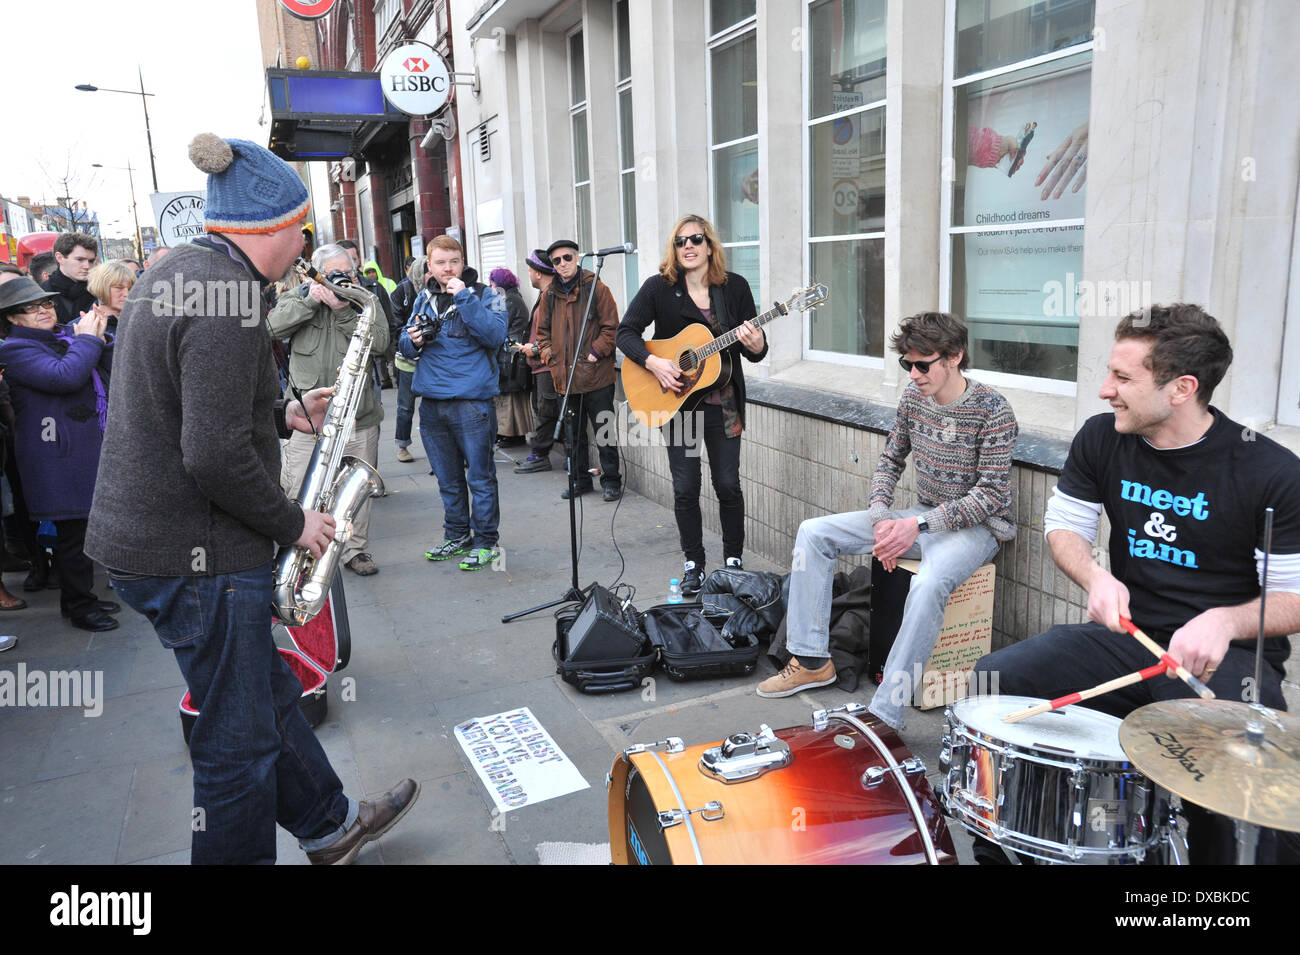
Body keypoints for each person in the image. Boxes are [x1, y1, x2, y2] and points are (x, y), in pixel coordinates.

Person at [85, 133, 418, 865]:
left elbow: (182, 408)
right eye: (299, 227)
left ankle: (330, 825)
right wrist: (295, 521)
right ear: (269, 227)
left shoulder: (178, 272)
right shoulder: (231, 296)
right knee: (238, 751)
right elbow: (210, 454)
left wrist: (282, 415)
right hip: (193, 552)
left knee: (263, 695)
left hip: (148, 541)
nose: (303, 242)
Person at [972, 304, 1300, 865]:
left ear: (1181, 388)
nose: (1105, 391)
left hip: (1224, 662)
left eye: (1123, 378)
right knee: (995, 679)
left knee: (1231, 776)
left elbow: (1295, 599)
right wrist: (1095, 575)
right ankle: (1010, 846)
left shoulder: (1269, 471)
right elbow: (1064, 528)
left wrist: (1225, 619)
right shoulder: (1104, 438)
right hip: (1126, 639)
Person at [757, 312, 1018, 729]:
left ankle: (884, 713)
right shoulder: (914, 400)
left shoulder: (993, 410)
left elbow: (989, 497)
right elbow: (890, 460)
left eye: (922, 364)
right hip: (919, 517)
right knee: (814, 533)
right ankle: (811, 658)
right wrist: (882, 520)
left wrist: (914, 527)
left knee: (928, 583)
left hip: (977, 530)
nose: (913, 374)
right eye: (906, 364)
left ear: (954, 357)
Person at [617, 214, 767, 593]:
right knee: (685, 487)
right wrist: (654, 362)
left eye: (696, 240)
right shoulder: (659, 289)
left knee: (728, 484)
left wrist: (758, 344)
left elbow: (754, 353)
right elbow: (625, 332)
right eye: (680, 241)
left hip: (725, 402)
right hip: (679, 402)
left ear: (710, 246)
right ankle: (693, 563)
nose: (688, 246)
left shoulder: (734, 289)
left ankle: (733, 559)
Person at [0, 277, 118, 631]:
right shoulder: (14, 349)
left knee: (82, 531)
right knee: (72, 536)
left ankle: (78, 600)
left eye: (46, 304)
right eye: (31, 307)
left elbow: (103, 367)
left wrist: (100, 334)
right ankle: (81, 607)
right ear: (12, 319)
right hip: (53, 454)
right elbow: (66, 376)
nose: (43, 310)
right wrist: (86, 339)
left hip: (77, 449)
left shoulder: (63, 338)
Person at [268, 243, 389, 577]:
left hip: (357, 416)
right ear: (316, 274)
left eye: (347, 272)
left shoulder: (366, 301)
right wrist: (311, 301)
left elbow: (380, 343)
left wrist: (343, 310)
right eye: (334, 272)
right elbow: (271, 330)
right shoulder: (298, 297)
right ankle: (299, 551)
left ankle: (354, 550)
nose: (342, 279)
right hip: (307, 418)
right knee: (298, 487)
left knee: (354, 492)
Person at [398, 235, 506, 571]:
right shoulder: (422, 299)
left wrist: (465, 297)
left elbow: (495, 336)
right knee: (447, 479)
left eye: (454, 261)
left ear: (464, 262)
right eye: (441, 262)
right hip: (431, 402)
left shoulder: (489, 295)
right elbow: (403, 342)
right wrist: (411, 340)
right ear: (428, 265)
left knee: (480, 477)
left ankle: (487, 541)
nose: (447, 268)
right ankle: (457, 535)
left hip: (471, 404)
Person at [536, 238, 622, 502]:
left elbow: (612, 327)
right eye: (556, 261)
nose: (562, 264)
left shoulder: (596, 287)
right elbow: (542, 333)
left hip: (597, 376)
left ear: (576, 258)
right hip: (565, 377)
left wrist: (595, 353)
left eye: (567, 258)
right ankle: (580, 480)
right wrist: (550, 355)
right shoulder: (549, 294)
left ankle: (611, 481)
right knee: (573, 437)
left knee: (604, 432)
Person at [514, 249, 558, 474]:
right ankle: (540, 454)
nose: (529, 275)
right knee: (543, 411)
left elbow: (558, 335)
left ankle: (540, 456)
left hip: (546, 366)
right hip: (540, 366)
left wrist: (533, 348)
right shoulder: (545, 295)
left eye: (530, 270)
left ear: (539, 273)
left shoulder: (550, 296)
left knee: (545, 412)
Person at [489, 267, 532, 446]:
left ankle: (512, 434)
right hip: (510, 353)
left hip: (510, 355)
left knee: (510, 398)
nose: (490, 285)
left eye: (492, 282)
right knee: (508, 398)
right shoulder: (512, 297)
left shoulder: (508, 299)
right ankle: (508, 433)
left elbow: (497, 325)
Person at [392, 255, 424, 463]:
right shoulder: (402, 291)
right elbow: (394, 326)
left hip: (433, 360)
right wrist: (410, 336)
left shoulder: (441, 291)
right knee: (405, 406)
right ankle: (402, 445)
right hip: (408, 361)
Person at [41, 233, 98, 325]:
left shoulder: (100, 291)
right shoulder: (41, 292)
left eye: (91, 261)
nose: (87, 266)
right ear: (59, 258)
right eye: (80, 260)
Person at [86, 259, 136, 338]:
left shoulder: (139, 322)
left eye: (130, 289)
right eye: (119, 288)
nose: (127, 294)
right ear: (101, 287)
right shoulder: (83, 327)